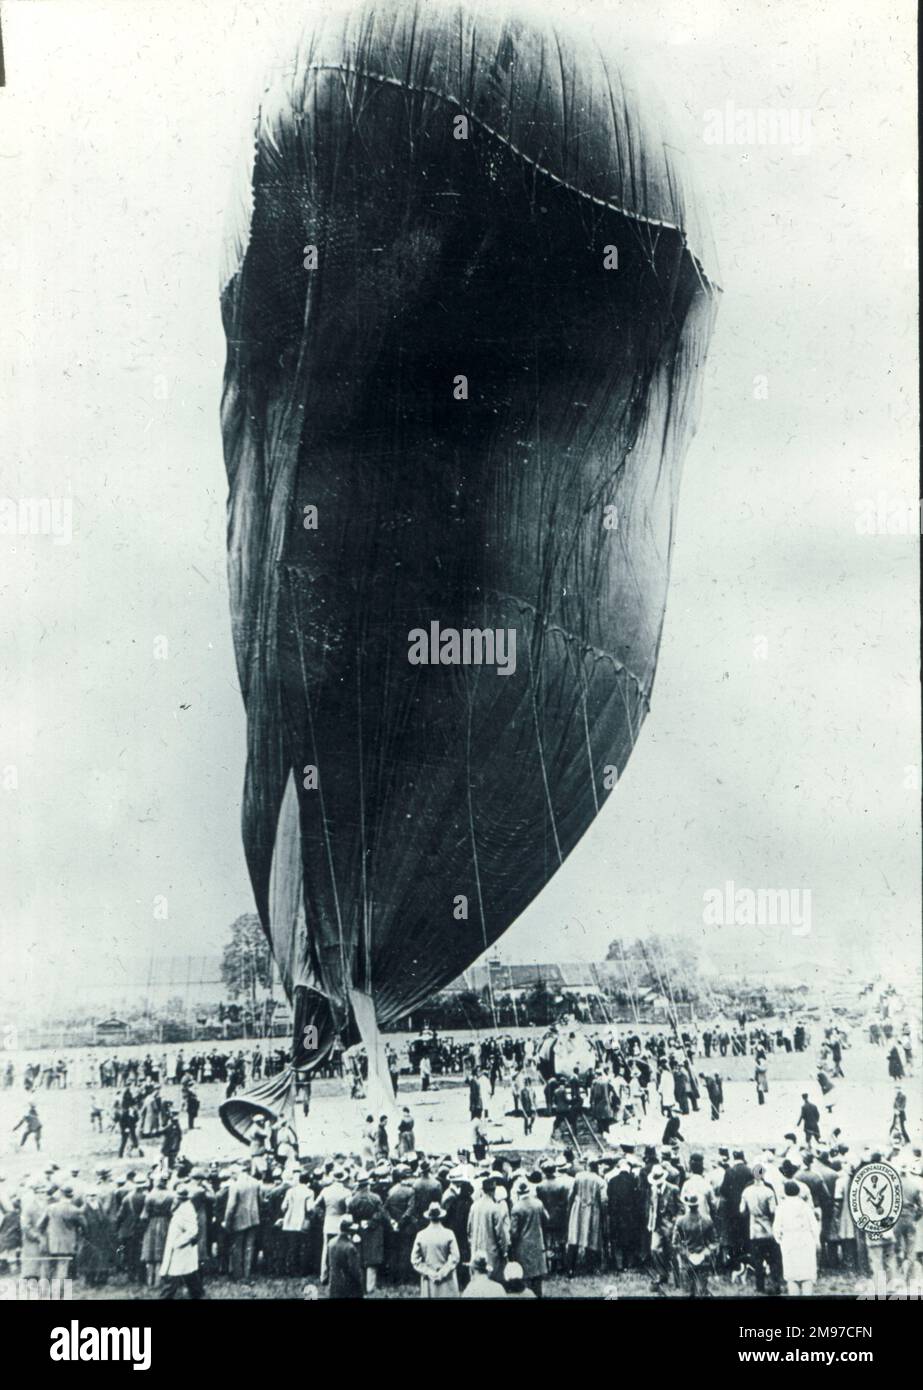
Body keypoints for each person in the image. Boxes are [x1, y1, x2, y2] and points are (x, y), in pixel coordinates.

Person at [739, 1163, 780, 1294]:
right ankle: (776, 1284)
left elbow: (741, 1210)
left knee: (757, 1260)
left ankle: (760, 1286)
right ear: (763, 1175)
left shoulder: (746, 1191)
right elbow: (773, 1210)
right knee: (773, 1260)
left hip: (754, 1230)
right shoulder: (768, 1191)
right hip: (768, 1229)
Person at [158, 1183, 205, 1298]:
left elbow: (193, 1231)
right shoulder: (183, 1207)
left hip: (182, 1250)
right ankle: (199, 1296)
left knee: (173, 1279)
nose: (176, 1200)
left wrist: (177, 1243)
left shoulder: (187, 1210)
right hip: (183, 1251)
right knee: (190, 1276)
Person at [774, 1180, 819, 1295]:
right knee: (807, 1274)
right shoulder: (805, 1206)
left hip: (789, 1240)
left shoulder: (781, 1207)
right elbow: (814, 1224)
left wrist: (780, 1240)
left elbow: (776, 1228)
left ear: (785, 1192)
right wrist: (816, 1239)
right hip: (806, 1240)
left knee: (791, 1275)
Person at [411, 1202, 460, 1298]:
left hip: (429, 1281)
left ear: (429, 1217)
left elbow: (414, 1260)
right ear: (441, 1216)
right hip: (447, 1279)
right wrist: (443, 1273)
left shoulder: (421, 1235)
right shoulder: (449, 1234)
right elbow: (456, 1257)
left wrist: (429, 1272)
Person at [509, 1177, 548, 1296]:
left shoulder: (516, 1208)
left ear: (518, 1192)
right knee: (537, 1277)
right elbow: (546, 1219)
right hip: (537, 1242)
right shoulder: (538, 1204)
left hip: (523, 1246)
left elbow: (514, 1232)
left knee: (525, 1277)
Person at [224, 1161, 261, 1282]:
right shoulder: (255, 1183)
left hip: (239, 1219)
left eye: (231, 1175)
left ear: (235, 1173)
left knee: (237, 1248)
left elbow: (231, 1206)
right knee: (249, 1247)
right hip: (254, 1218)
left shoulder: (235, 1185)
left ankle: (238, 1275)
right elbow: (260, 1200)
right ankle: (247, 1273)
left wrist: (226, 1221)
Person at [673, 1194, 716, 1297]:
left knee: (687, 1292)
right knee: (702, 1291)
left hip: (686, 1261)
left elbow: (675, 1243)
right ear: (698, 1205)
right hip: (703, 1261)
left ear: (687, 1205)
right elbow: (714, 1242)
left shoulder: (680, 1221)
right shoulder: (707, 1220)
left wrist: (687, 1254)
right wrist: (704, 1254)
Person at [467, 1177, 509, 1281]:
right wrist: (504, 1250)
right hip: (491, 1252)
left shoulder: (474, 1206)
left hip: (475, 1250)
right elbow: (500, 1233)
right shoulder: (494, 1208)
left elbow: (469, 1229)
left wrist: (471, 1244)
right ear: (493, 1191)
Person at [328, 1217, 364, 1299]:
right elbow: (354, 1270)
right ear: (350, 1231)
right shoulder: (350, 1247)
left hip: (334, 1284)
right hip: (348, 1287)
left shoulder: (331, 1242)